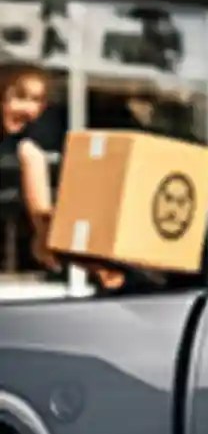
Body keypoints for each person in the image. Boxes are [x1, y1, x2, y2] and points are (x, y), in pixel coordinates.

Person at [0, 64, 125, 290]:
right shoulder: (23, 147)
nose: (29, 109)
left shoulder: (33, 141)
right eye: (19, 97)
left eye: (37, 100)